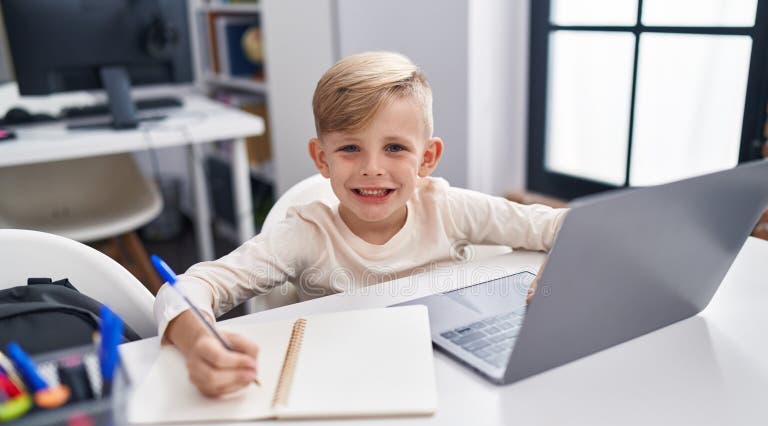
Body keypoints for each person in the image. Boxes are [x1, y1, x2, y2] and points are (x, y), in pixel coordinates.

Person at [155, 51, 568, 397]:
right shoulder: (306, 234)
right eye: (350, 148)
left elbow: (563, 224)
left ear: (427, 158)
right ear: (322, 159)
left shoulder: (448, 208)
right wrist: (199, 342)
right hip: (342, 383)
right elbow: (188, 288)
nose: (373, 169)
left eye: (394, 148)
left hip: (450, 380)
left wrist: (562, 261)